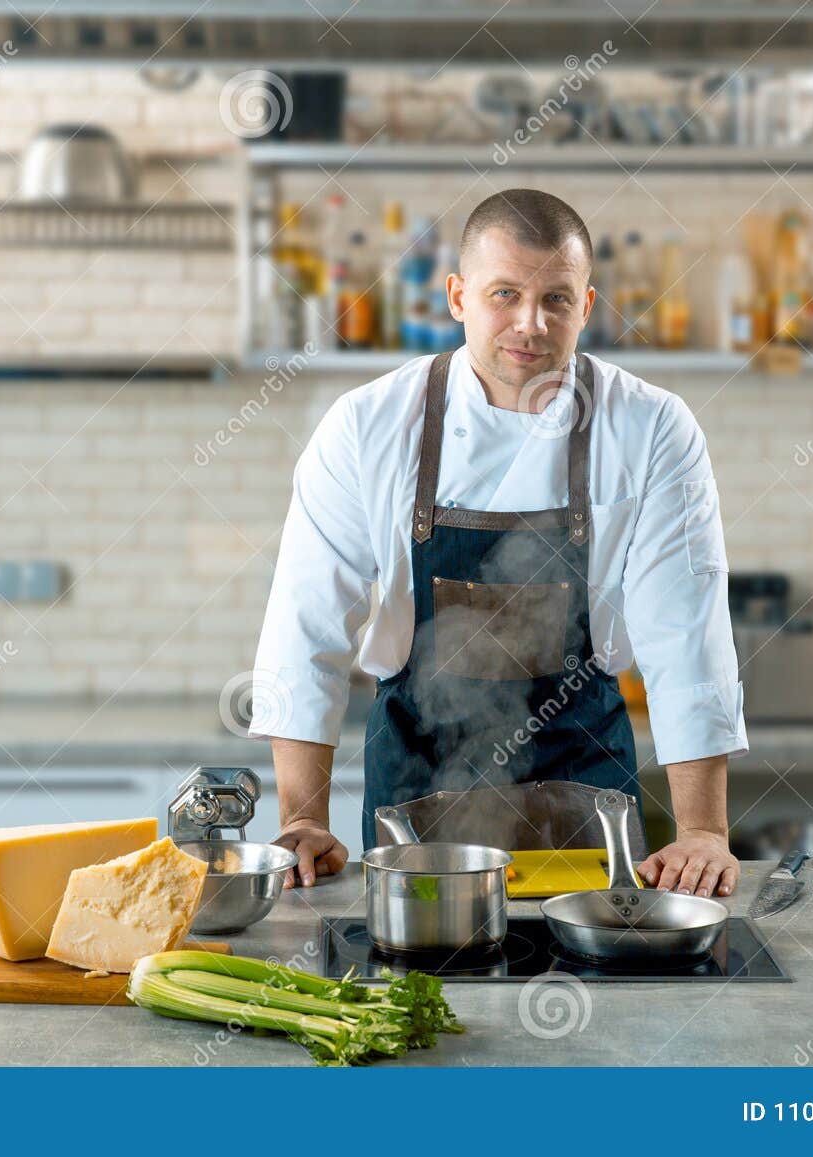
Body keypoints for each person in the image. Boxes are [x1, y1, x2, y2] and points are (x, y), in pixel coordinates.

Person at [250, 189, 747, 898]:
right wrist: (302, 819)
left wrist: (704, 830)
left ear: (587, 305)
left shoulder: (651, 429)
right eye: (504, 293)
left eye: (556, 299)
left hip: (585, 784)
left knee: (601, 966)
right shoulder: (366, 426)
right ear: (457, 296)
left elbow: (686, 635)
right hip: (415, 789)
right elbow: (306, 628)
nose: (530, 324)